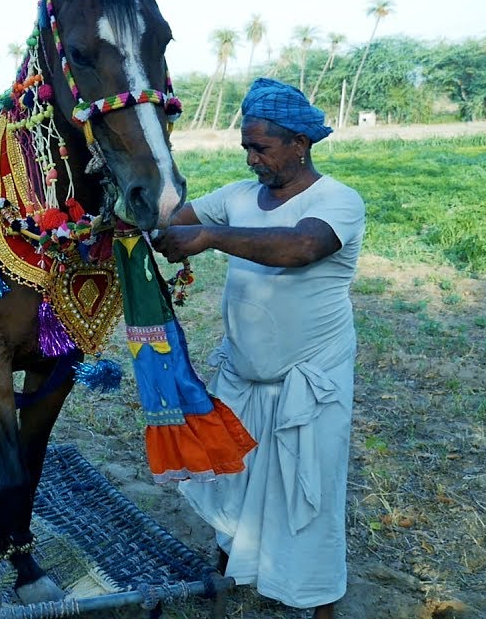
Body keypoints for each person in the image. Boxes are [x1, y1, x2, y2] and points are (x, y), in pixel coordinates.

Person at [152, 77, 366, 619]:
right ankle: (231, 574)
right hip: (243, 377)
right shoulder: (238, 196)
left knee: (308, 494)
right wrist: (146, 209)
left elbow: (302, 246)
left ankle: (320, 607)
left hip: (309, 384)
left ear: (300, 143)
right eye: (246, 146)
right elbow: (174, 223)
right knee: (236, 481)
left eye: (261, 148)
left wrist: (212, 237)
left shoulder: (337, 200)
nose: (251, 159)